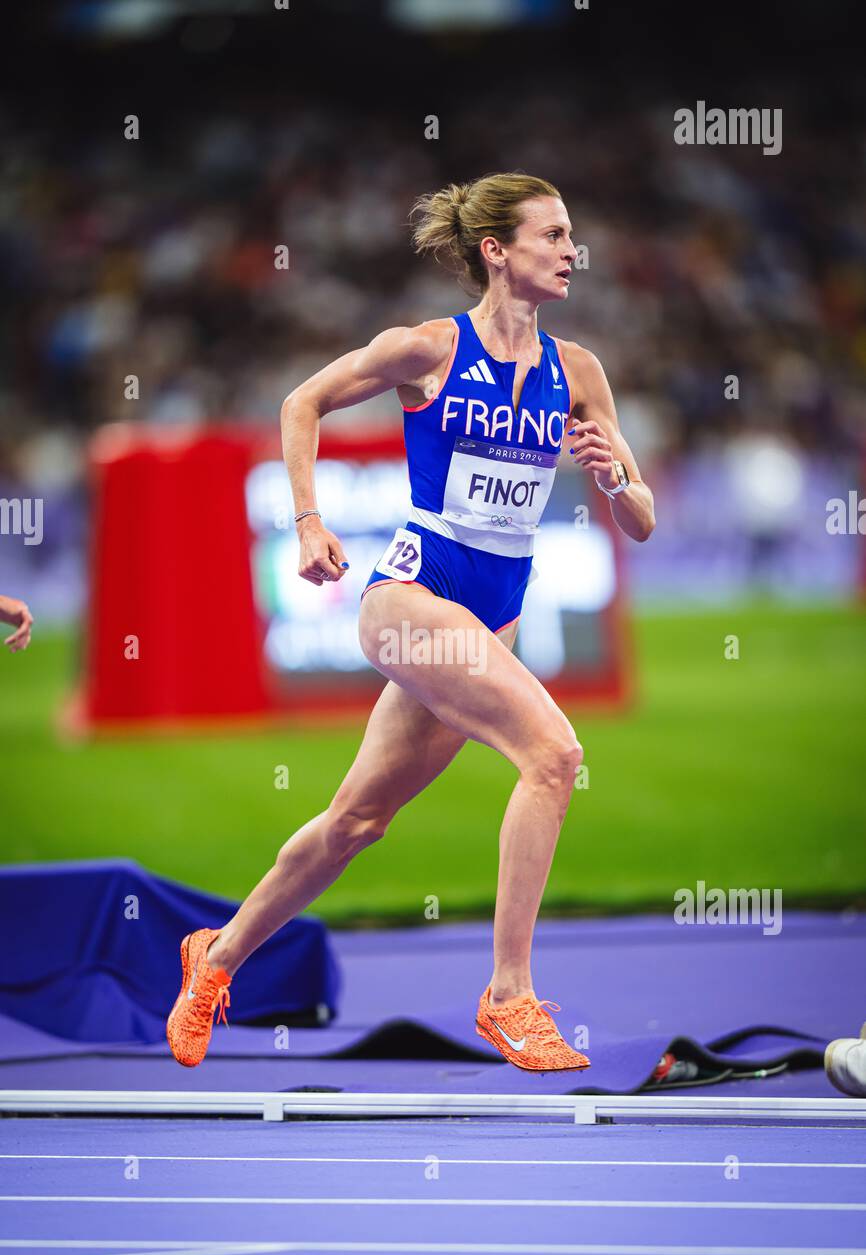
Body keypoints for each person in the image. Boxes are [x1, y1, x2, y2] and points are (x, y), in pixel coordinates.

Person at [167, 172, 655, 1072]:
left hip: (492, 622)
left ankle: (216, 956)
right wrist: (308, 520)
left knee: (356, 822)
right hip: (411, 598)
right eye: (551, 236)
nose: (570, 251)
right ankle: (510, 996)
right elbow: (299, 402)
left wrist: (614, 476)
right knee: (554, 757)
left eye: (572, 235)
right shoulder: (429, 348)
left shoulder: (578, 372)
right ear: (495, 252)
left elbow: (642, 519)